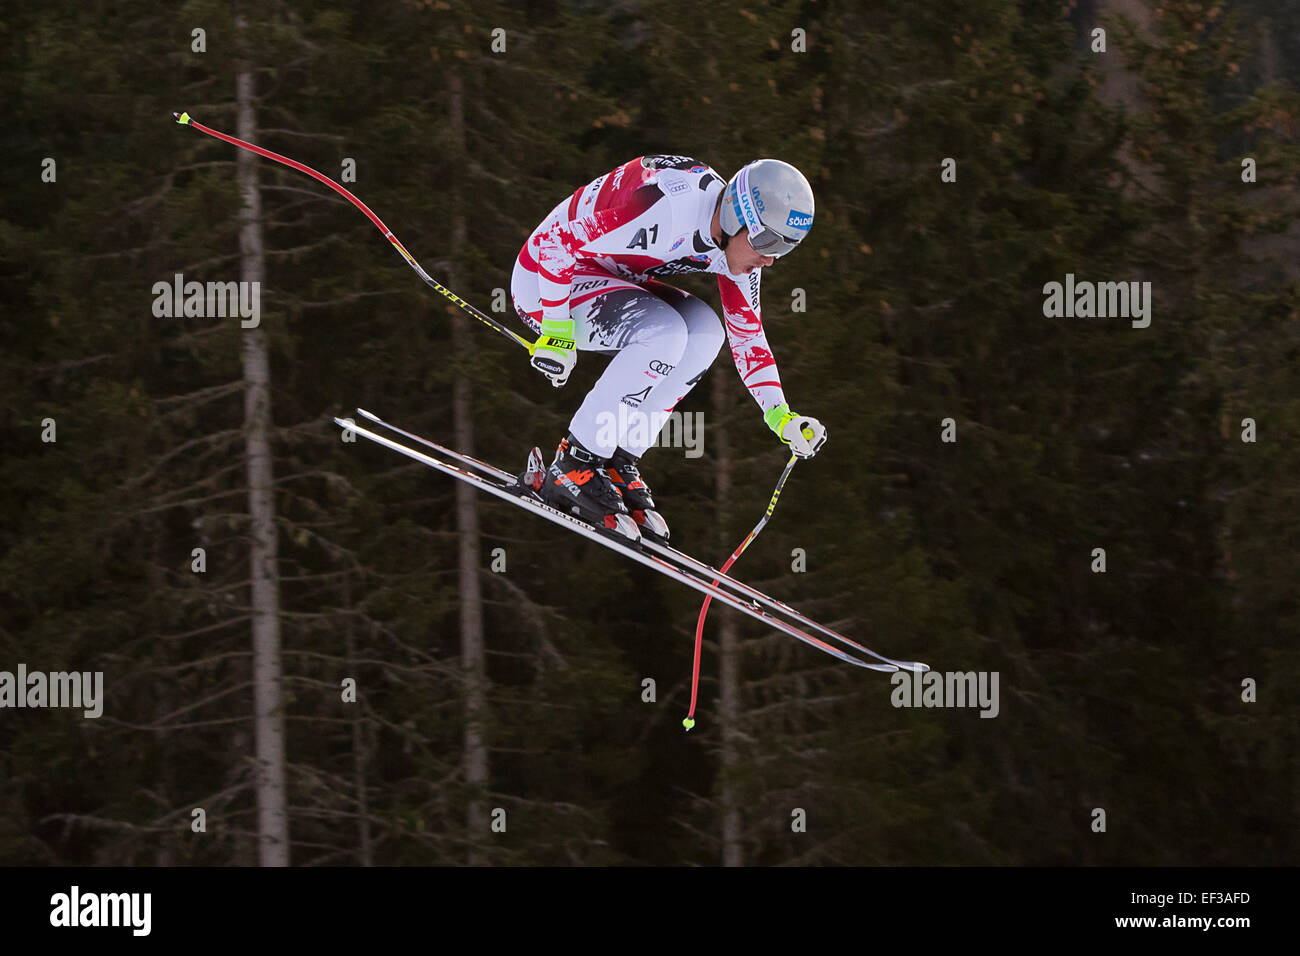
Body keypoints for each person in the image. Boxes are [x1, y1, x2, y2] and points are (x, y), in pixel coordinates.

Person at [511, 155, 827, 542]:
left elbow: (748, 336)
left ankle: (616, 459)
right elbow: (554, 245)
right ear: (734, 216)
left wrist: (781, 416)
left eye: (785, 247)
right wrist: (557, 330)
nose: (771, 258)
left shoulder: (733, 248)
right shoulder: (670, 209)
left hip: (604, 276)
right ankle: (576, 462)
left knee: (705, 332)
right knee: (666, 334)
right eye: (766, 241)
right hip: (546, 283)